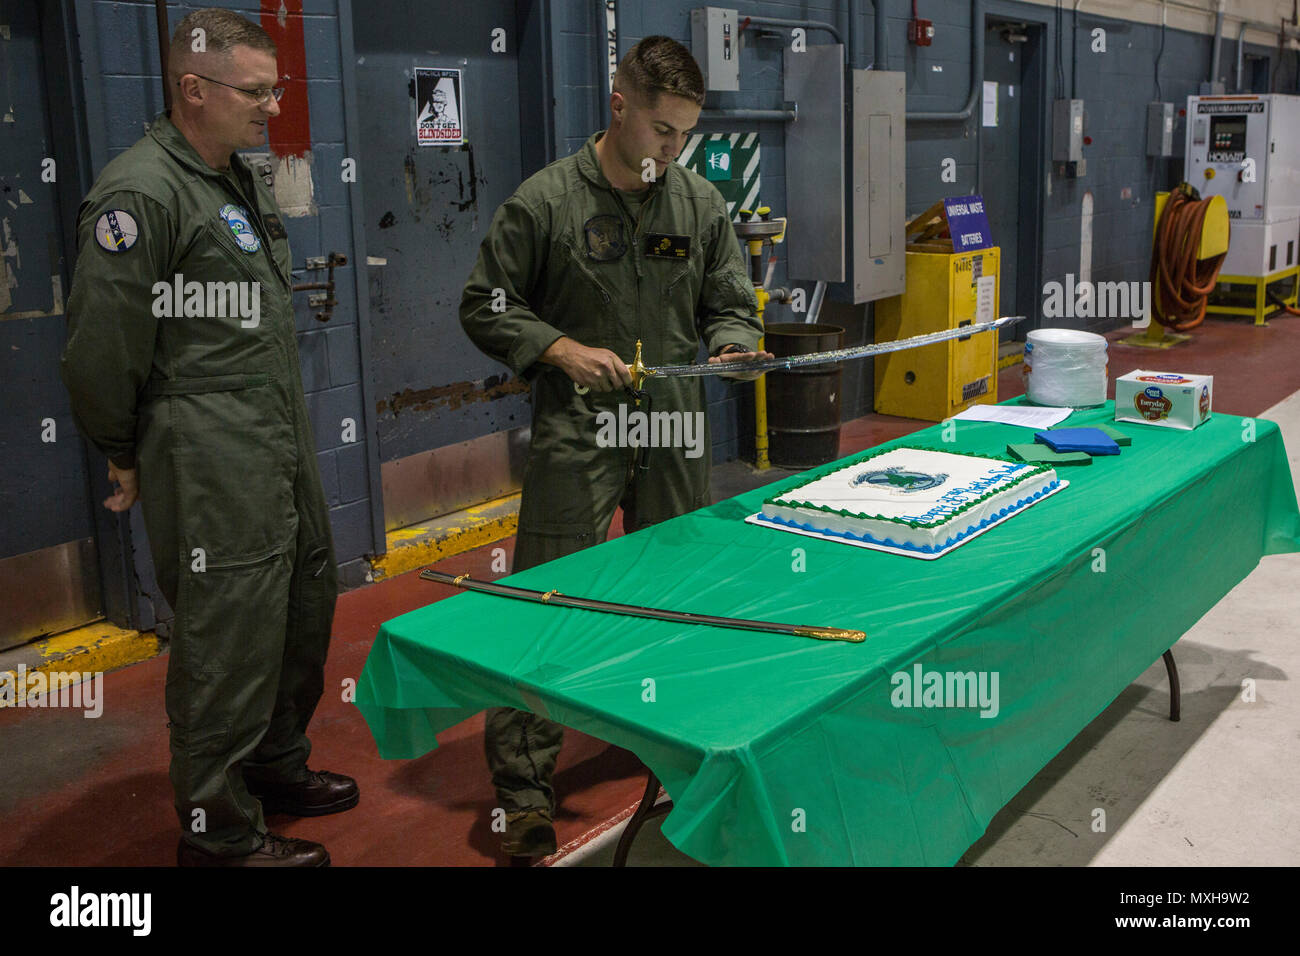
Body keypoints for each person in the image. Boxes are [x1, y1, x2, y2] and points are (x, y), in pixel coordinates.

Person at [460, 35, 770, 859]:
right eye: (662, 130)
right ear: (619, 105)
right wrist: (558, 348)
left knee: (674, 594)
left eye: (685, 135)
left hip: (672, 428)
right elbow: (484, 304)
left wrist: (736, 343)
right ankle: (524, 787)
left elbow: (729, 301)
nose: (672, 150)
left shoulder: (699, 205)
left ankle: (671, 751)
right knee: (550, 600)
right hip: (581, 429)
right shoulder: (546, 202)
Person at [60, 8, 357, 867]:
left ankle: (271, 764)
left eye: (277, 88)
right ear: (194, 88)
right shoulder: (140, 193)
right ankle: (217, 835)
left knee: (302, 608)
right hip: (207, 455)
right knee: (225, 641)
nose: (272, 107)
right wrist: (122, 448)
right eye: (256, 91)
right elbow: (101, 349)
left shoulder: (232, 179)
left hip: (275, 438)